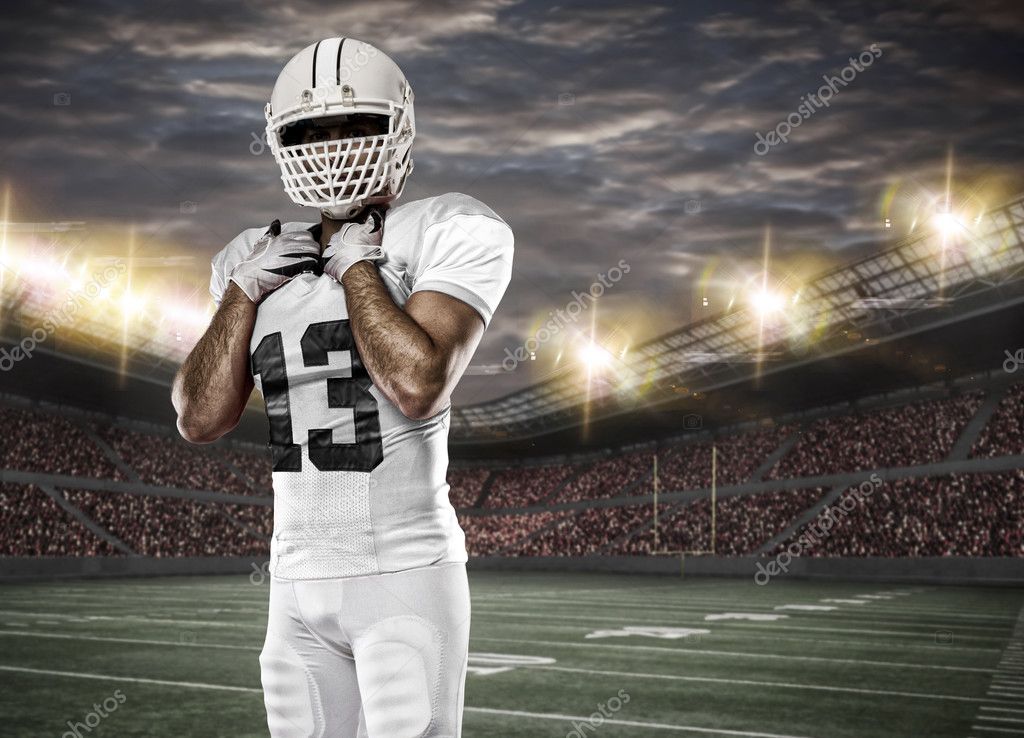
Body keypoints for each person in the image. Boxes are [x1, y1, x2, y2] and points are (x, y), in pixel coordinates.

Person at [171, 36, 514, 737]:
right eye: (311, 131)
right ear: (280, 140)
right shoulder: (255, 256)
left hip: (405, 575)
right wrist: (241, 296)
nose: (333, 148)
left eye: (356, 126)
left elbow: (419, 384)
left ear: (398, 131)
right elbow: (199, 419)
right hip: (294, 581)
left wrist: (357, 268)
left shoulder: (446, 227)